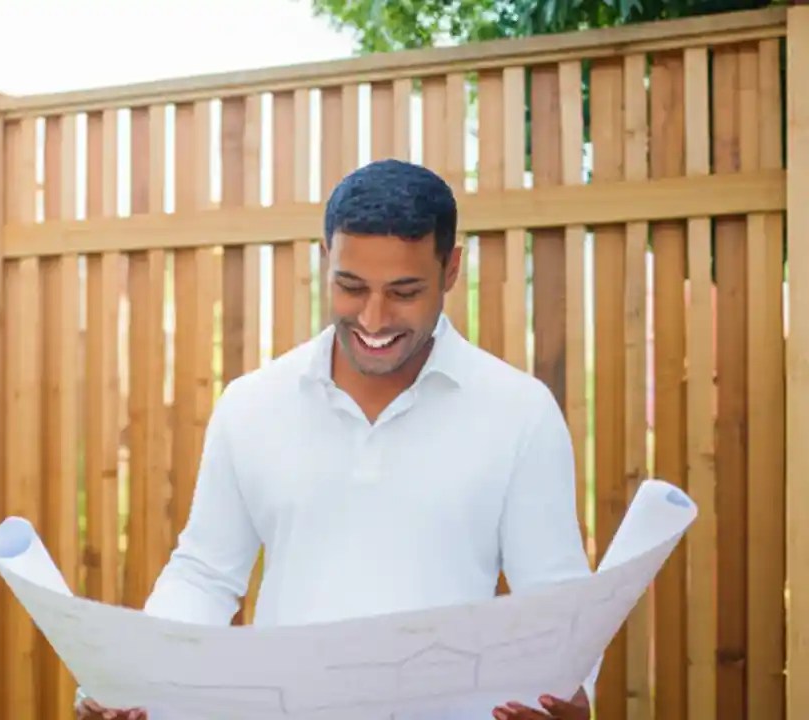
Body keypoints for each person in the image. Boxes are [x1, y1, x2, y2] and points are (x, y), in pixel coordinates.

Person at [76, 159, 597, 720]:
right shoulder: (254, 405)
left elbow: (554, 597)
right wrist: (141, 678)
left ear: (451, 270)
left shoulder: (519, 412)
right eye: (351, 287)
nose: (373, 318)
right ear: (326, 260)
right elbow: (204, 573)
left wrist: (568, 694)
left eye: (404, 291)